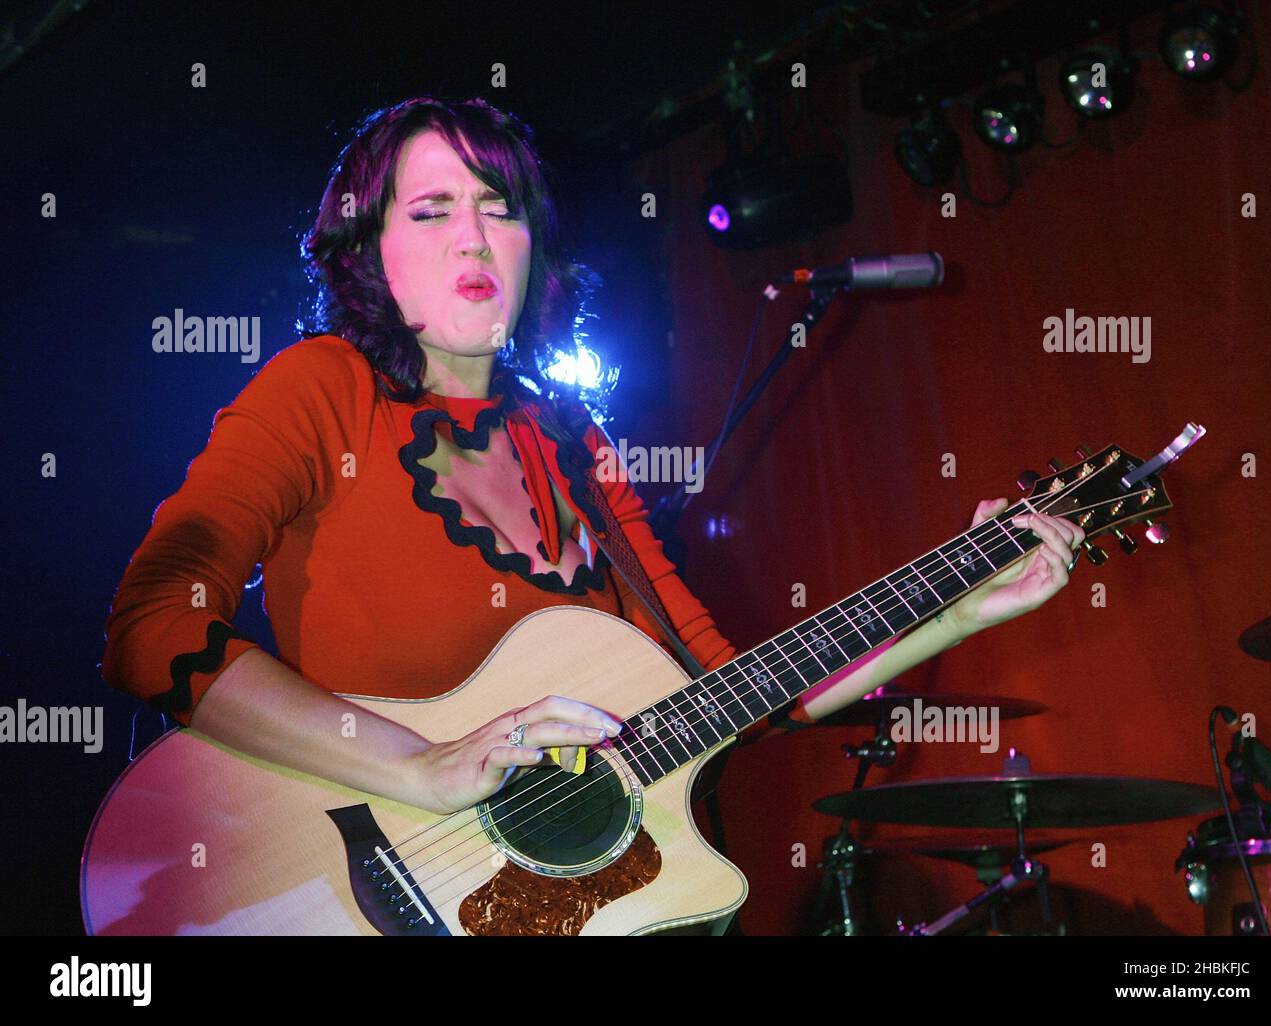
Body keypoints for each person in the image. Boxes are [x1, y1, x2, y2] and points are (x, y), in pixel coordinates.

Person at [101, 96, 1084, 823]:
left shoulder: (573, 439)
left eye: (499, 205)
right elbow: (153, 628)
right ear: (365, 250)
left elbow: (729, 696)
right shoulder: (324, 387)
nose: (477, 234)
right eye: (431, 210)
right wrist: (419, 766)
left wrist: (957, 605)